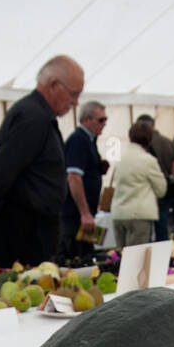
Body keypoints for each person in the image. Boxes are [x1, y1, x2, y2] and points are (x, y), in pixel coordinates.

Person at [0, 55, 79, 267]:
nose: (75, 102)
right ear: (54, 84)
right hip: (22, 231)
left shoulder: (38, 114)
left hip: (33, 228)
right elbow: (4, 168)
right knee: (24, 293)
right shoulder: (32, 117)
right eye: (73, 94)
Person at [58, 101, 106, 259]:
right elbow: (73, 177)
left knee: (86, 255)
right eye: (101, 120)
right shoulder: (79, 140)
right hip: (75, 216)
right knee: (76, 258)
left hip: (83, 214)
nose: (104, 124)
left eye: (106, 120)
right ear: (86, 119)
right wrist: (84, 213)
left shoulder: (89, 140)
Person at [110, 122, 166, 247]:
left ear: (130, 137)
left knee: (121, 257)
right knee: (135, 259)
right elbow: (161, 190)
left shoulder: (120, 159)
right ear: (149, 139)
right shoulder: (148, 160)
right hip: (139, 215)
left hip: (119, 213)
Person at [135, 114, 174, 240]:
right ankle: (163, 257)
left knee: (145, 232)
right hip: (164, 191)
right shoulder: (168, 142)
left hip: (146, 193)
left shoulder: (141, 144)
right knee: (162, 229)